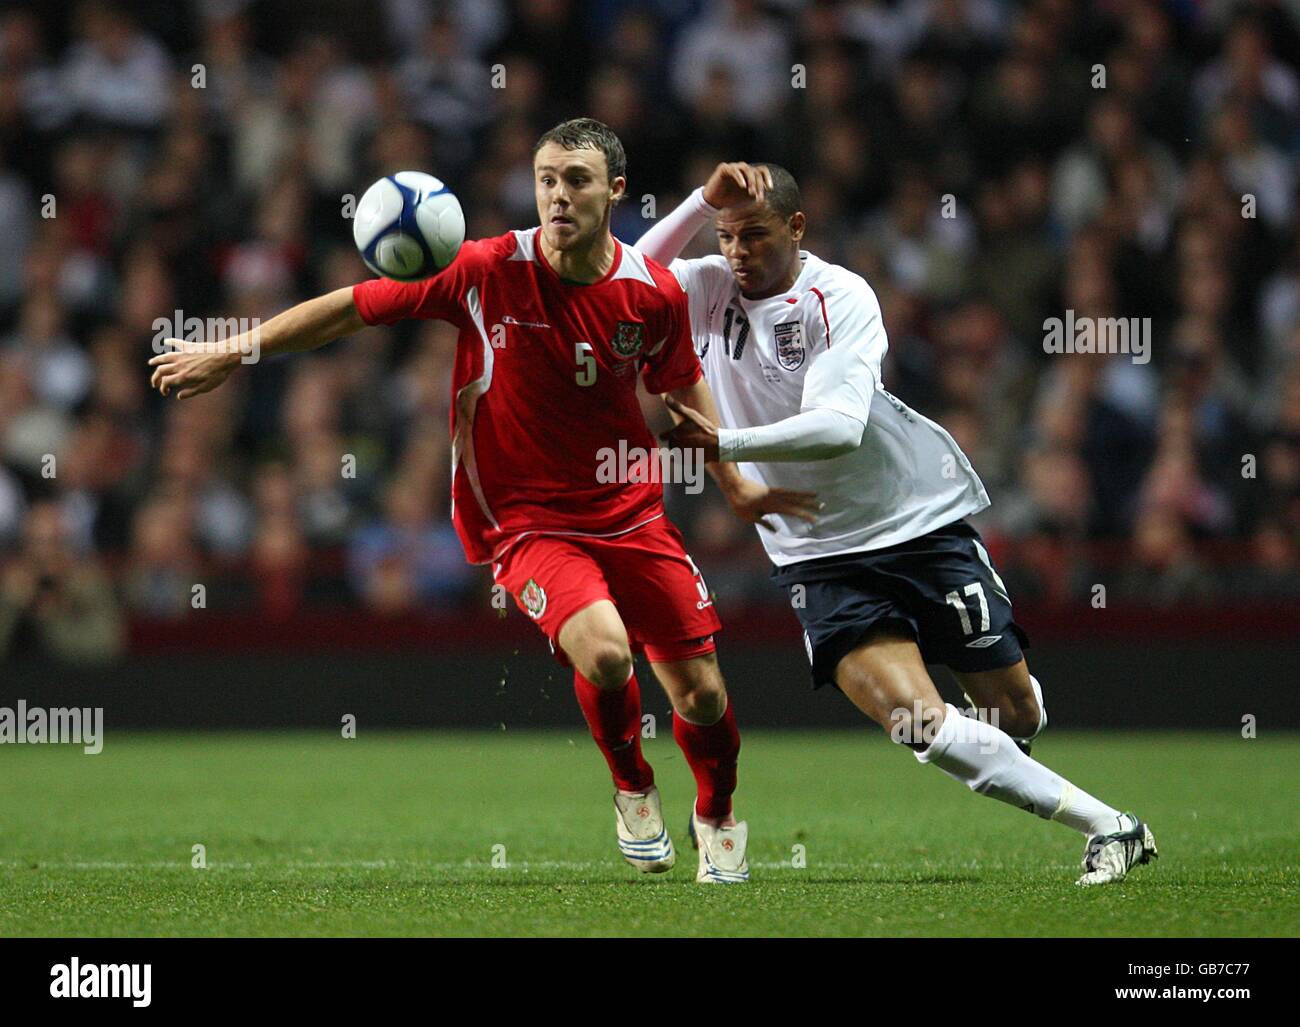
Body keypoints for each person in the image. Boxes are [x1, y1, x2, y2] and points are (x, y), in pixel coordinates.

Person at [147, 120, 818, 884]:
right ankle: (632, 784)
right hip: (526, 521)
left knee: (701, 693)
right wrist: (232, 352)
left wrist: (734, 481)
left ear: (616, 191)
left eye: (577, 179)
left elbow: (681, 384)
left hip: (631, 513)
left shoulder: (651, 292)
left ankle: (719, 811)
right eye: (546, 179)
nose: (558, 195)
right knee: (602, 651)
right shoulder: (486, 269)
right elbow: (349, 306)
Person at [646, 162, 1158, 886]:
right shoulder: (706, 287)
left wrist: (728, 446)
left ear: (796, 228)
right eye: (726, 236)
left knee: (1012, 713)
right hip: (817, 551)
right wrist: (701, 199)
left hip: (914, 521)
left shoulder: (841, 296)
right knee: (918, 724)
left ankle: (1016, 716)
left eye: (753, 235)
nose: (736, 252)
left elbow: (839, 428)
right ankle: (1111, 826)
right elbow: (625, 273)